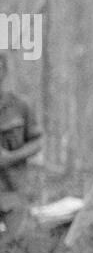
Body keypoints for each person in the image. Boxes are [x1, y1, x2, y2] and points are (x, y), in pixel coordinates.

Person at [0, 52, 43, 240]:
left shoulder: (20, 105)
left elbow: (37, 141)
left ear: (4, 71)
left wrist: (11, 157)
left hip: (13, 190)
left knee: (16, 244)